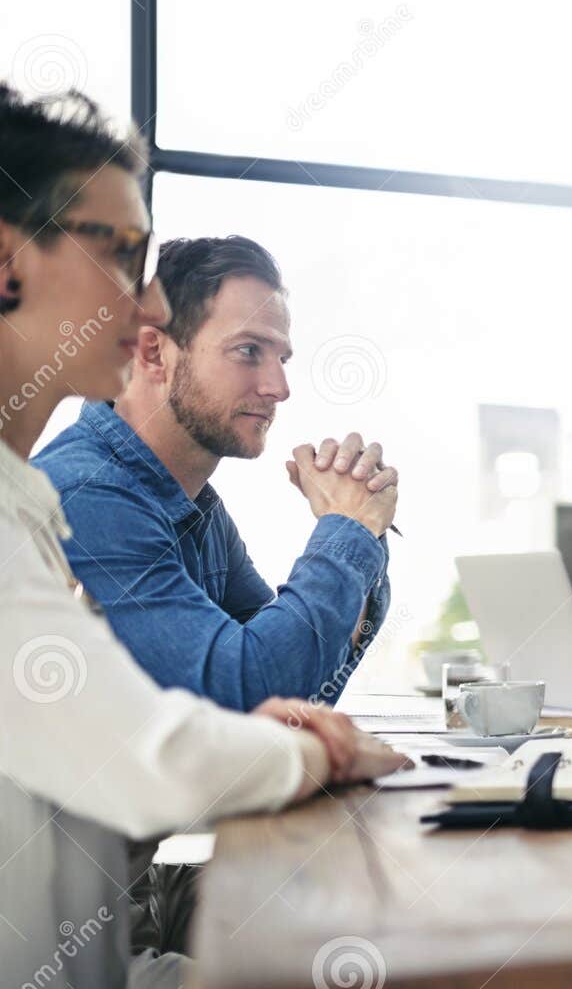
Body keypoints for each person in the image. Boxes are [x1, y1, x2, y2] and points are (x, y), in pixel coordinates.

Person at [0, 84, 407, 989]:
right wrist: (343, 539)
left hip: (101, 937)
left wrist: (357, 544)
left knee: (379, 950)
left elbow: (289, 673)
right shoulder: (86, 491)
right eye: (117, 251)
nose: (144, 301)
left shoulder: (54, 498)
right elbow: (180, 737)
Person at [34, 235, 398, 713]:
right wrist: (347, 531)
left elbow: (298, 690)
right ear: (151, 353)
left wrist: (362, 534)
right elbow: (248, 687)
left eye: (281, 358)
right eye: (248, 351)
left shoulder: (199, 507)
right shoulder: (89, 494)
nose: (279, 388)